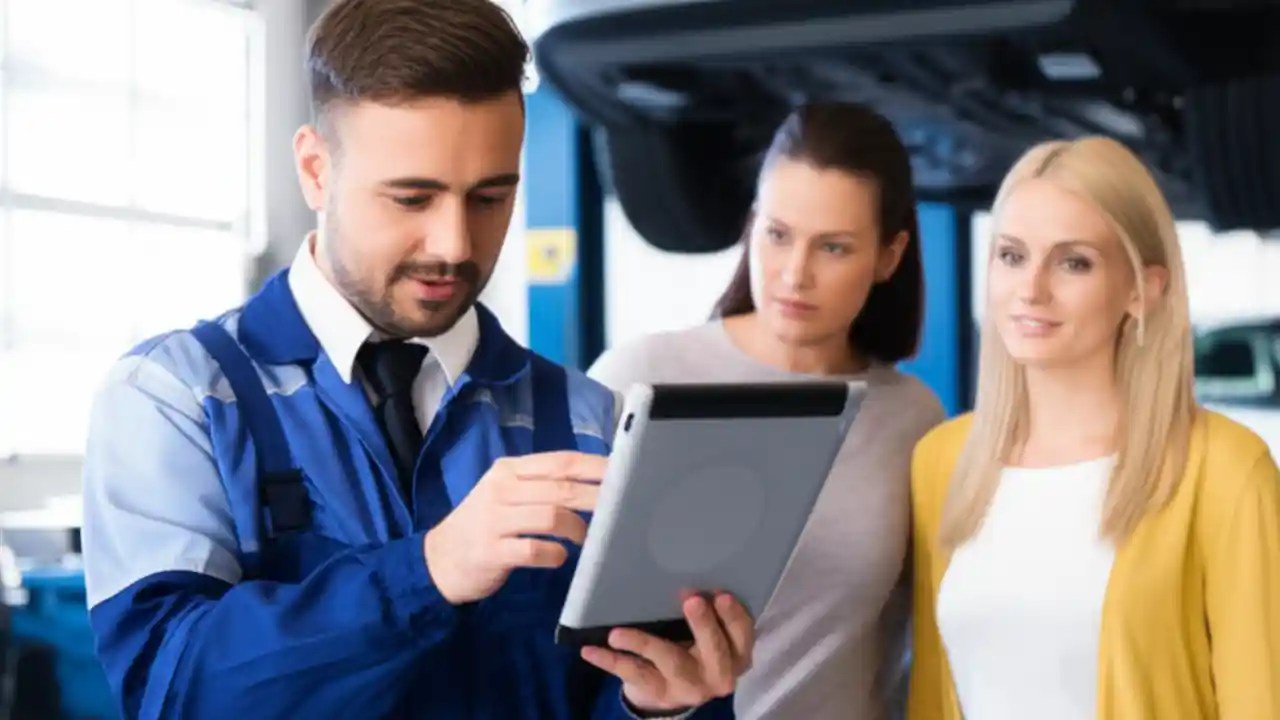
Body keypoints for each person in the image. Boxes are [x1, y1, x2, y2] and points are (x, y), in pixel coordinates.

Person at [79, 1, 756, 718]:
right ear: (315, 169)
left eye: (491, 198)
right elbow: (173, 690)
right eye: (412, 198)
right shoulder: (176, 398)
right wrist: (427, 571)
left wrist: (662, 707)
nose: (456, 245)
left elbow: (600, 694)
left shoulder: (588, 419)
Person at [588, 102, 946, 719]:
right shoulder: (637, 380)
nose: (794, 274)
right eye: (777, 234)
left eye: (833, 248)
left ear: (889, 256)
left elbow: (923, 640)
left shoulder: (912, 420)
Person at [906, 137, 1280, 720]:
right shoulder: (942, 462)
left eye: (1073, 261)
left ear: (1142, 289)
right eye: (1012, 256)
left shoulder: (1226, 471)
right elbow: (931, 696)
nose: (1031, 288)